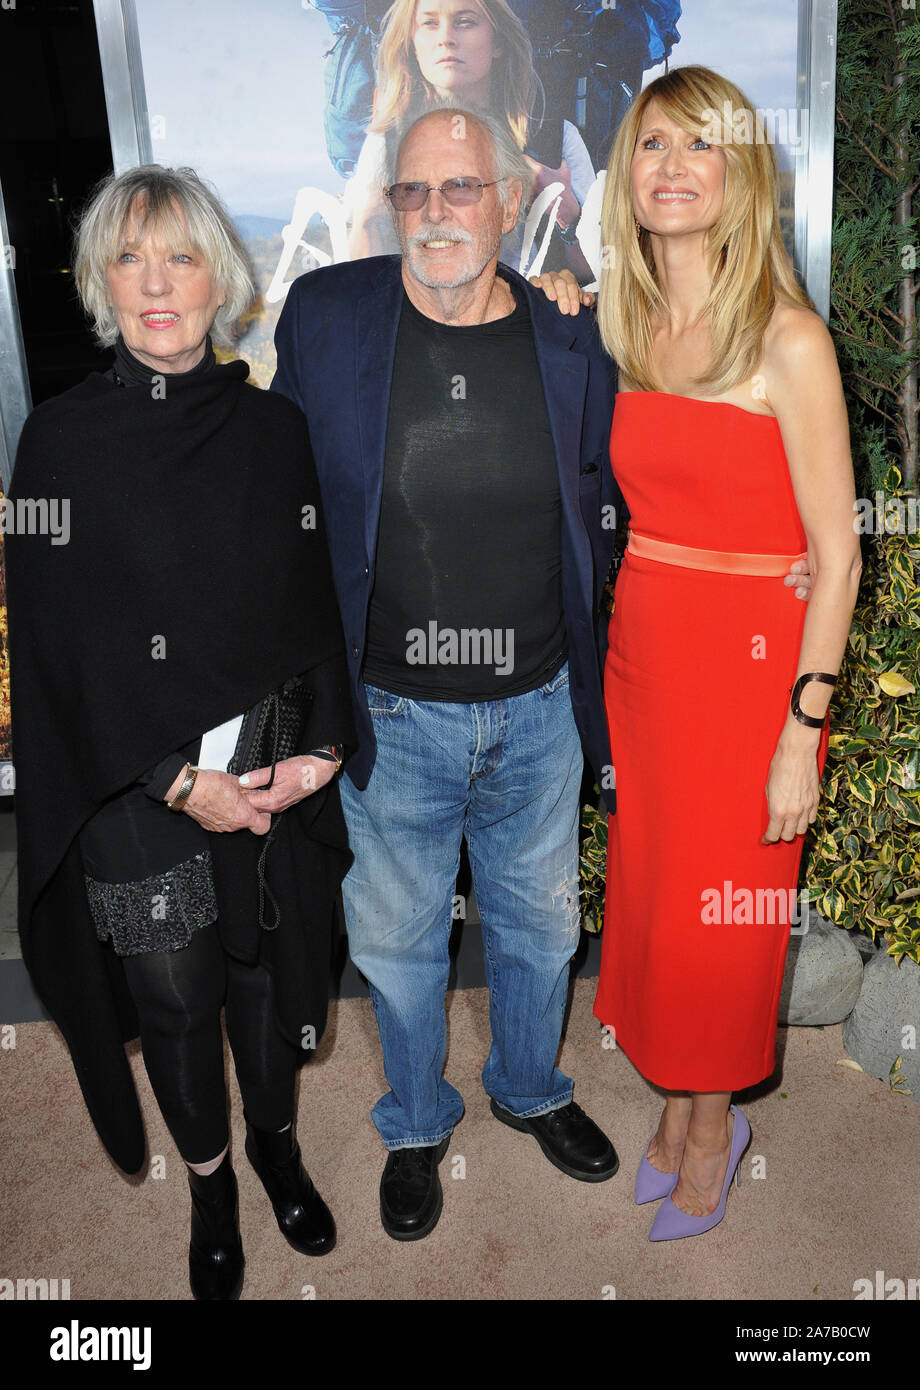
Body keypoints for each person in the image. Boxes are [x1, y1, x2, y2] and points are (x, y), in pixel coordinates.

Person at [272, 105, 623, 1241]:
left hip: (537, 709)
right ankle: (417, 1119)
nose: (434, 215)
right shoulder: (326, 318)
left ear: (508, 201)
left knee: (536, 925)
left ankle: (528, 1088)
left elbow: (611, 517)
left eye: (460, 190)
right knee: (398, 942)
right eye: (414, 193)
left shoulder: (575, 340)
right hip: (390, 711)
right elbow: (273, 504)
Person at [6, 165, 355, 1299]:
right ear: (100, 284)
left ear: (221, 277)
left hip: (264, 769)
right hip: (131, 789)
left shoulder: (273, 430)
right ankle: (212, 1193)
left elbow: (311, 612)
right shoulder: (58, 444)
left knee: (263, 978)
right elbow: (59, 656)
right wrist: (172, 782)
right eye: (129, 259)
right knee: (175, 991)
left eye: (182, 257)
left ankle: (276, 1148)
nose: (157, 285)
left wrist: (320, 748)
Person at [539, 65, 860, 1240]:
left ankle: (710, 1125)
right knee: (660, 902)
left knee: (725, 920)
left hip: (748, 676)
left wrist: (801, 728)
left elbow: (836, 554)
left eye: (700, 148)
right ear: (626, 175)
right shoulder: (622, 322)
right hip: (646, 661)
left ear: (739, 177)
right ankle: (678, 1107)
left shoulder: (787, 339)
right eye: (653, 146)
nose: (670, 170)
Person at [345, 0, 595, 279]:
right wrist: (368, 214)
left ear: (498, 42)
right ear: (412, 44)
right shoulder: (386, 140)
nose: (446, 39)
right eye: (429, 23)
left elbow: (601, 273)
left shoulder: (555, 138)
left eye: (465, 22)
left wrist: (568, 214)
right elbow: (362, 281)